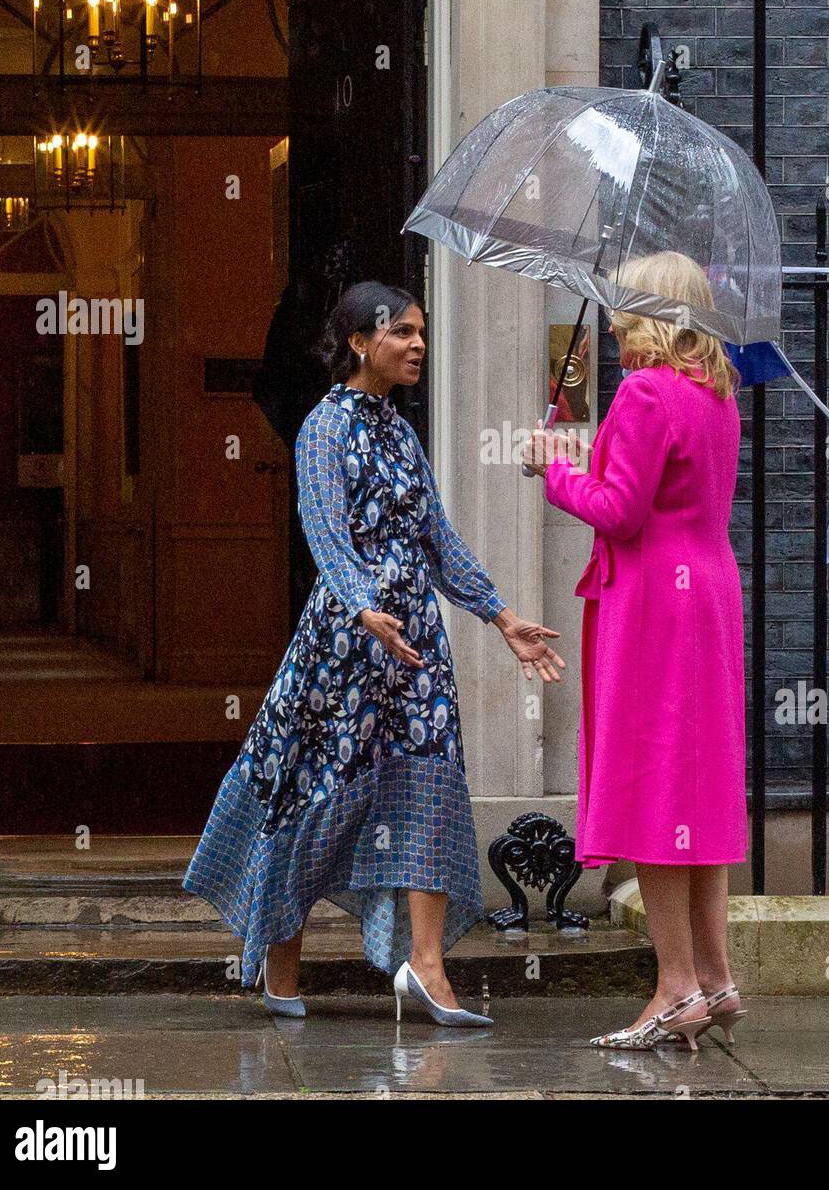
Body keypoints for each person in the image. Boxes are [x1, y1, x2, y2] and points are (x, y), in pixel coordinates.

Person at [185, 281, 565, 1027]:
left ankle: (425, 970)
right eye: (404, 332)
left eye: (424, 332)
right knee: (313, 796)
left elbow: (438, 539)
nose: (419, 344)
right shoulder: (322, 428)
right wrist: (363, 607)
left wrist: (500, 614)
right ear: (360, 342)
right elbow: (322, 528)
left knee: (428, 784)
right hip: (342, 644)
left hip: (415, 642)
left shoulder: (399, 431)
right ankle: (282, 961)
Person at [523, 251, 748, 1051]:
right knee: (697, 788)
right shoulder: (715, 396)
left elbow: (618, 511)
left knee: (657, 791)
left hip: (656, 602)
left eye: (623, 309)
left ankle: (675, 988)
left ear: (649, 313)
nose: (613, 324)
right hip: (709, 594)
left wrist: (553, 470)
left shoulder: (646, 393)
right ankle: (716, 979)